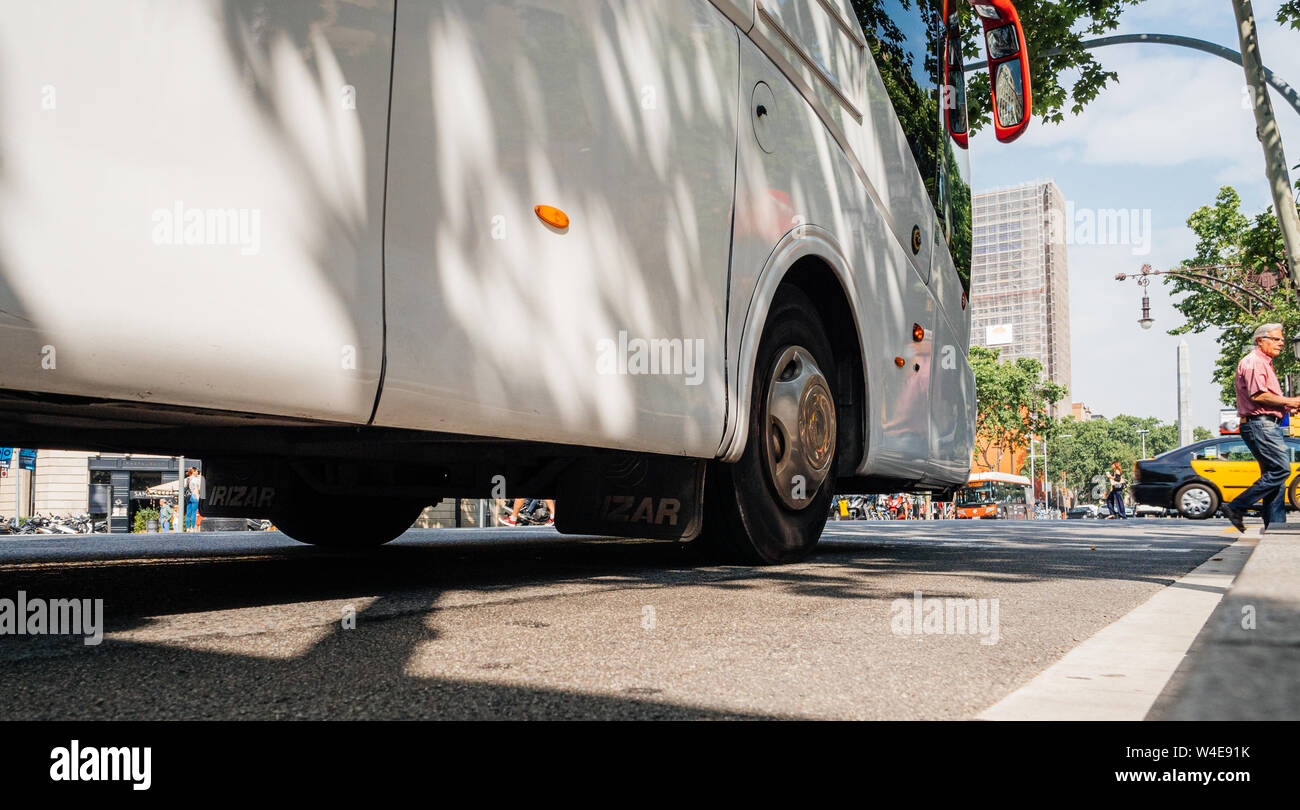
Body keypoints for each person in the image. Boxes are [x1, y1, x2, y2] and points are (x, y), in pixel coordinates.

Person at [1221, 323, 1300, 533]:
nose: (1281, 343)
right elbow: (1259, 395)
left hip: (1264, 424)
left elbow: (1264, 397)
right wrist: (1290, 401)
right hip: (1261, 425)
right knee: (1281, 470)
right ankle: (1235, 506)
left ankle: (1276, 530)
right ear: (1260, 341)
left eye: (1282, 339)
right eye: (1276, 339)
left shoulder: (1263, 363)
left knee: (1276, 482)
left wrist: (1284, 406)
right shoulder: (1255, 362)